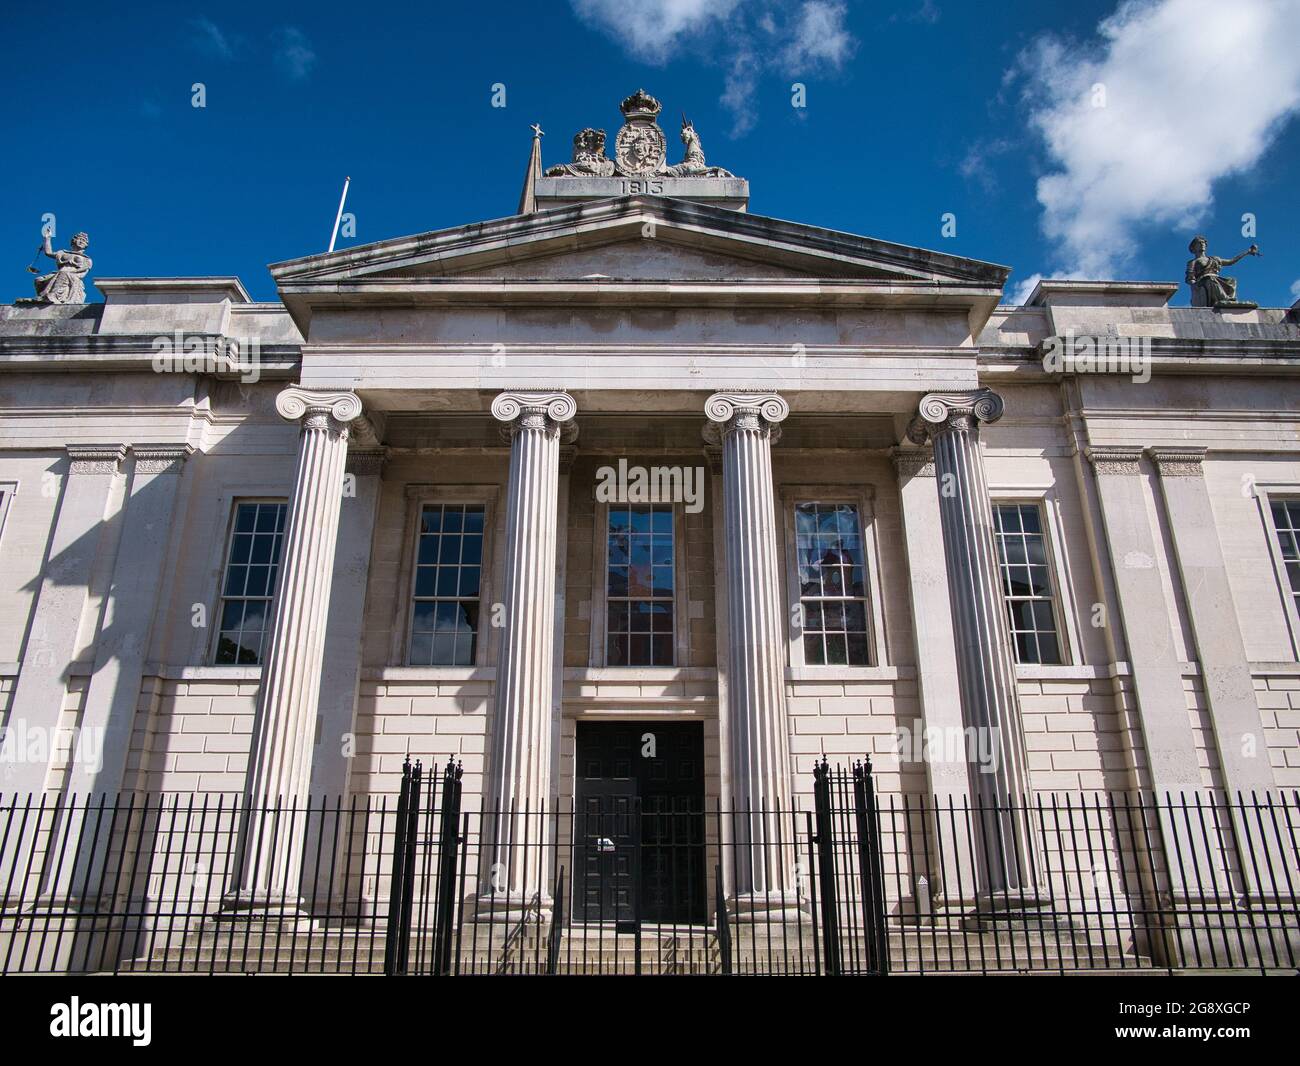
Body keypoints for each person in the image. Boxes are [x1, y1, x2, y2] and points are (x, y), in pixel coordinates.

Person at [1185, 235, 1258, 307]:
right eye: (1199, 243)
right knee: (1210, 279)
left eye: (1203, 242)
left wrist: (1247, 252)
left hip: (1215, 280)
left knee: (1231, 280)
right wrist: (1195, 287)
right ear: (1194, 247)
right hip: (1203, 282)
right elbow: (1190, 278)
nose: (1202, 244)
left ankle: (1229, 299)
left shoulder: (1214, 259)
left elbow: (1231, 261)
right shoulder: (1193, 262)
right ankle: (1225, 299)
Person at [31, 230, 92, 304]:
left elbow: (83, 272)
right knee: (38, 280)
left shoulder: (86, 259)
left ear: (86, 245)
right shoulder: (63, 252)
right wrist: (47, 238)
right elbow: (48, 252)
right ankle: (43, 297)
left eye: (84, 241)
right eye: (80, 239)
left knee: (63, 274)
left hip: (72, 276)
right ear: (74, 241)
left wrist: (69, 273)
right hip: (59, 273)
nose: (82, 241)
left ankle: (52, 296)